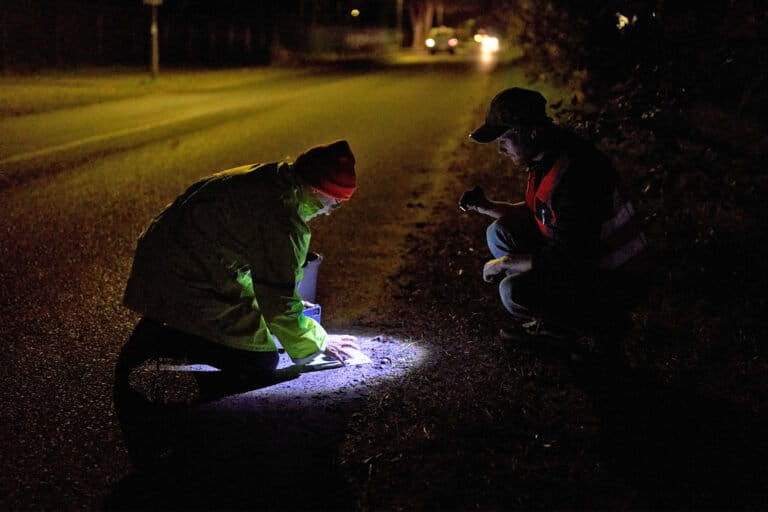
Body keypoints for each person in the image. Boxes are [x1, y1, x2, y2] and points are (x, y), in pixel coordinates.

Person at [121, 140, 360, 378]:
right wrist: (317, 342)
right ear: (319, 190)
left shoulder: (272, 178)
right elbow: (278, 298)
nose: (328, 211)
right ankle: (162, 339)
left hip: (171, 259)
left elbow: (242, 259)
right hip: (184, 275)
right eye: (334, 203)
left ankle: (164, 326)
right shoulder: (282, 218)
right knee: (259, 359)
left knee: (255, 326)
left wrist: (272, 304)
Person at [460, 88, 647, 346]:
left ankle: (588, 328)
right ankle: (556, 320)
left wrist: (507, 263)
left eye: (505, 138)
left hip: (612, 277)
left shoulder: (577, 174)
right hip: (582, 259)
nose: (501, 149)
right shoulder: (546, 156)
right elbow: (542, 216)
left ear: (533, 131)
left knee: (512, 291)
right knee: (499, 230)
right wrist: (487, 207)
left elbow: (570, 257)